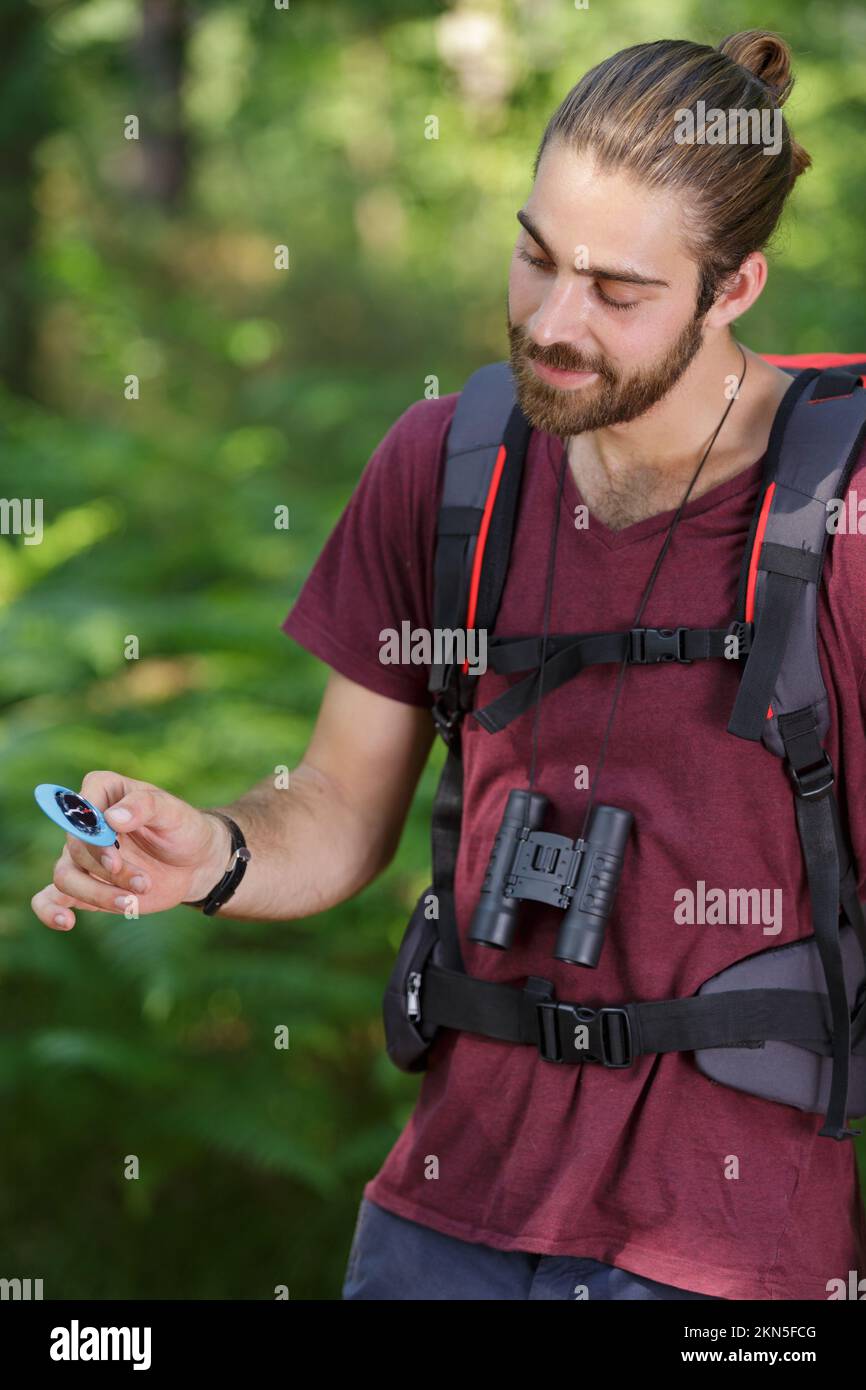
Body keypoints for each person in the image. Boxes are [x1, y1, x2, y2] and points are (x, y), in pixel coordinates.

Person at [31, 30, 866, 1300]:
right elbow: (330, 806)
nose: (550, 321)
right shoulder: (448, 464)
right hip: (441, 1229)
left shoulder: (837, 514)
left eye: (615, 290)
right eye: (533, 257)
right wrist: (211, 852)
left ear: (733, 288)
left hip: (724, 1264)